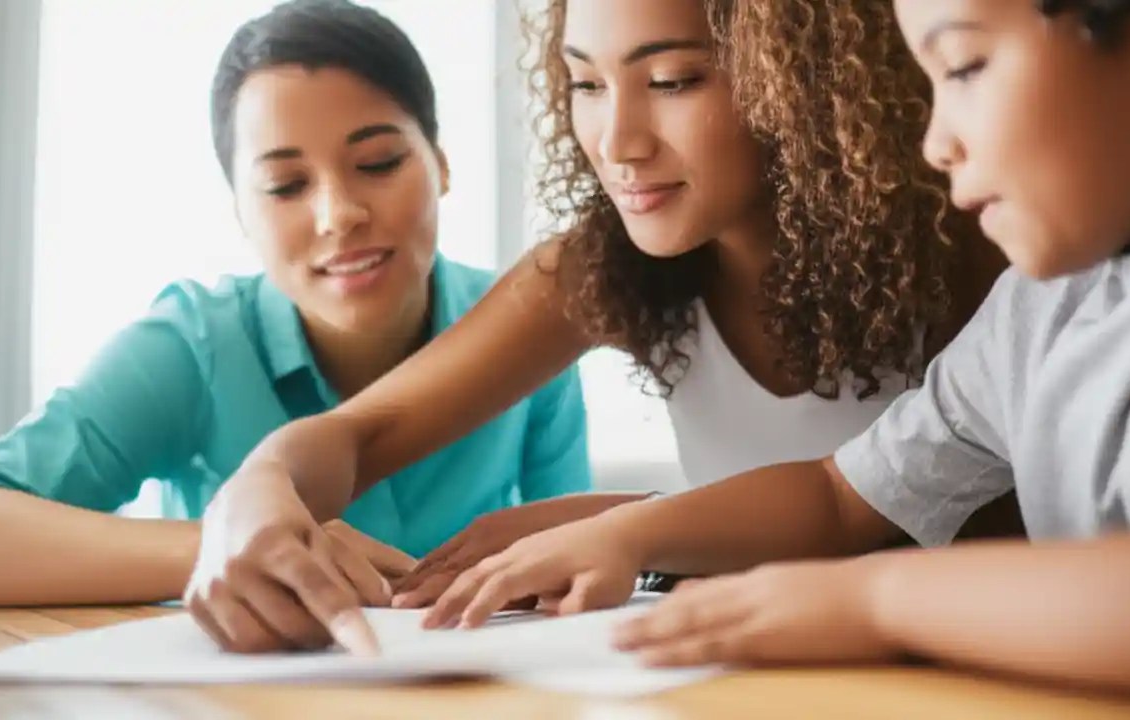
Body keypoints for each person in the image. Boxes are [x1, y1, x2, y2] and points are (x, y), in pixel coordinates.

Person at [421, 0, 1130, 702]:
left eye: (966, 66)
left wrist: (874, 602)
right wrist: (633, 534)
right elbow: (845, 494)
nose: (935, 141)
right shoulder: (1037, 310)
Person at [184, 0, 1009, 654]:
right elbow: (363, 431)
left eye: (675, 80)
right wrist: (253, 494)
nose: (617, 142)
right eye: (585, 84)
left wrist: (638, 527)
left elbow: (900, 512)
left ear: (807, 75)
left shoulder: (980, 236)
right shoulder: (605, 265)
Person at [0, 0, 590, 612]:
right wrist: (231, 541)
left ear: (441, 164)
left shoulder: (532, 332)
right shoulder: (191, 347)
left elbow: (575, 565)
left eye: (379, 162)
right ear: (240, 212)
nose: (339, 215)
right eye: (285, 185)